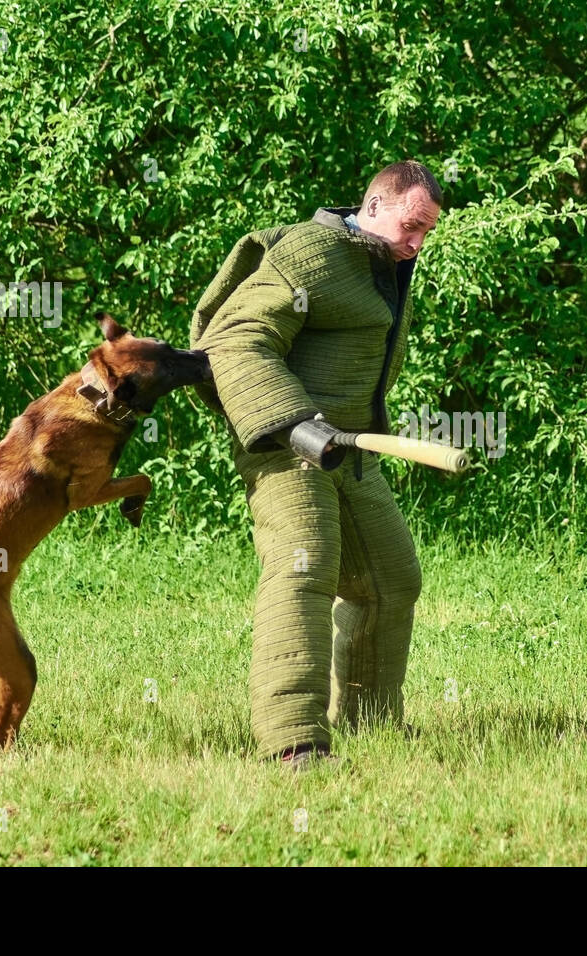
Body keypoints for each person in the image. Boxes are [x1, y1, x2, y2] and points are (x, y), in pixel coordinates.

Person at [190, 160, 442, 767]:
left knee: (391, 577)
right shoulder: (311, 253)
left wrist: (340, 435)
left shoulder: (381, 262)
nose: (416, 244)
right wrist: (296, 425)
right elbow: (234, 337)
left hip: (351, 449)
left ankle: (371, 720)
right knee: (306, 567)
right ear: (375, 206)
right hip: (286, 447)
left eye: (426, 233)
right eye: (410, 226)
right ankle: (294, 740)